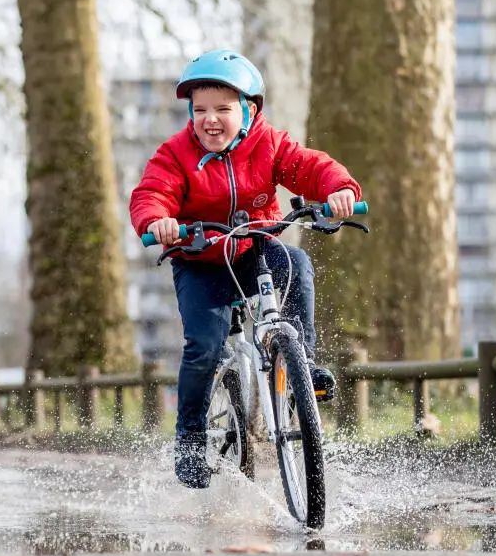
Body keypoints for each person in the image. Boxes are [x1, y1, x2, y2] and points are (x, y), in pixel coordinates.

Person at [128, 49, 362, 489]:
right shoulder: (175, 154)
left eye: (223, 108)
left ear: (249, 110)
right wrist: (156, 220)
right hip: (199, 256)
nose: (209, 119)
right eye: (200, 110)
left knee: (295, 261)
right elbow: (152, 192)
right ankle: (191, 438)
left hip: (254, 247)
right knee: (204, 345)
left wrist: (339, 189)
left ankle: (302, 369)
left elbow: (310, 167)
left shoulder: (268, 143)